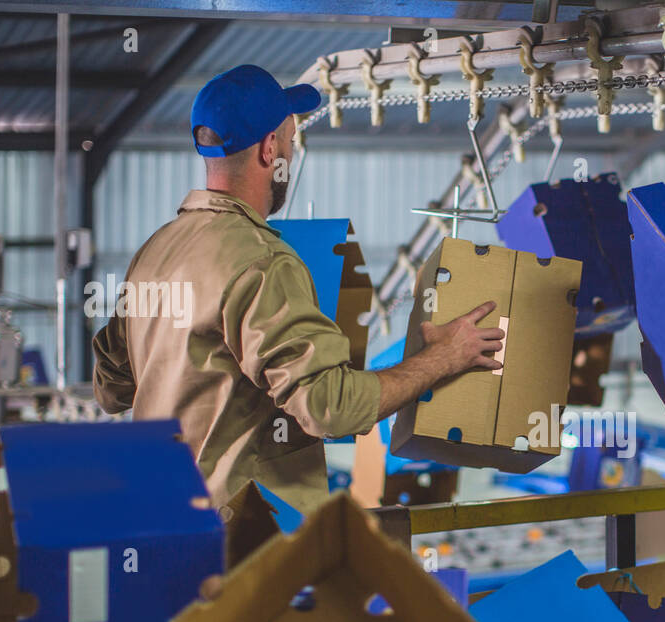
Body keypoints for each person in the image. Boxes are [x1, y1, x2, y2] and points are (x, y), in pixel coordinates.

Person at [92, 64, 502, 513]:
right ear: (270, 150)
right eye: (290, 139)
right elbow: (329, 409)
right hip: (239, 541)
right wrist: (447, 356)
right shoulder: (261, 260)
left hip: (159, 519)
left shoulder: (155, 251)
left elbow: (111, 388)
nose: (291, 150)